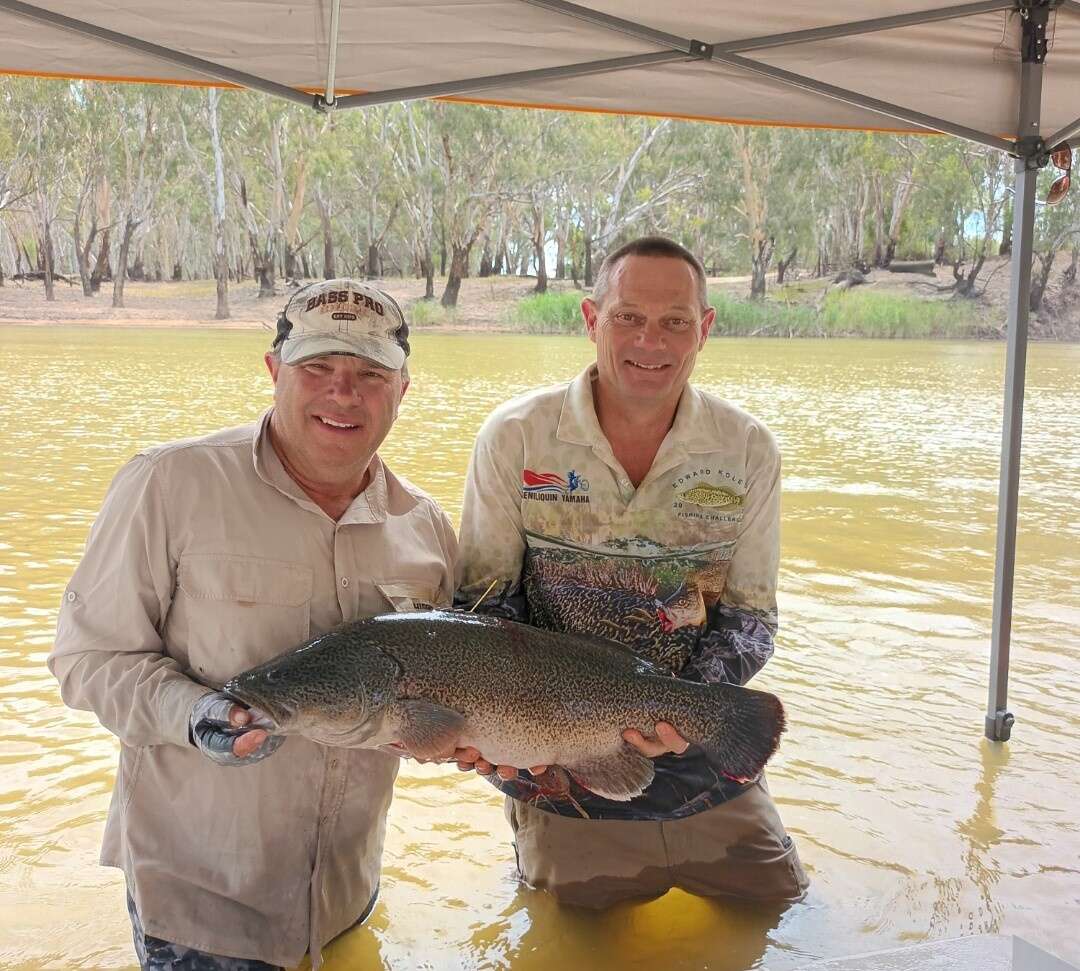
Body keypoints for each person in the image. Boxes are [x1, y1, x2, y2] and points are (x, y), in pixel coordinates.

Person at [49, 279, 457, 971]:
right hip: (203, 906)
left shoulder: (427, 527)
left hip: (346, 893)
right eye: (317, 367)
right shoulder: (167, 483)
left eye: (369, 374)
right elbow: (87, 659)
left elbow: (459, 688)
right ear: (274, 370)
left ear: (403, 389)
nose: (343, 394)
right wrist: (196, 714)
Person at [455, 236, 808, 908]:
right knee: (572, 943)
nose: (651, 341)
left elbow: (751, 617)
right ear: (592, 320)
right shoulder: (515, 436)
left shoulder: (748, 448)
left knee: (782, 914)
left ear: (704, 329)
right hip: (558, 775)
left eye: (676, 320)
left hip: (709, 769)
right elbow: (484, 609)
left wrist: (686, 707)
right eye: (629, 317)